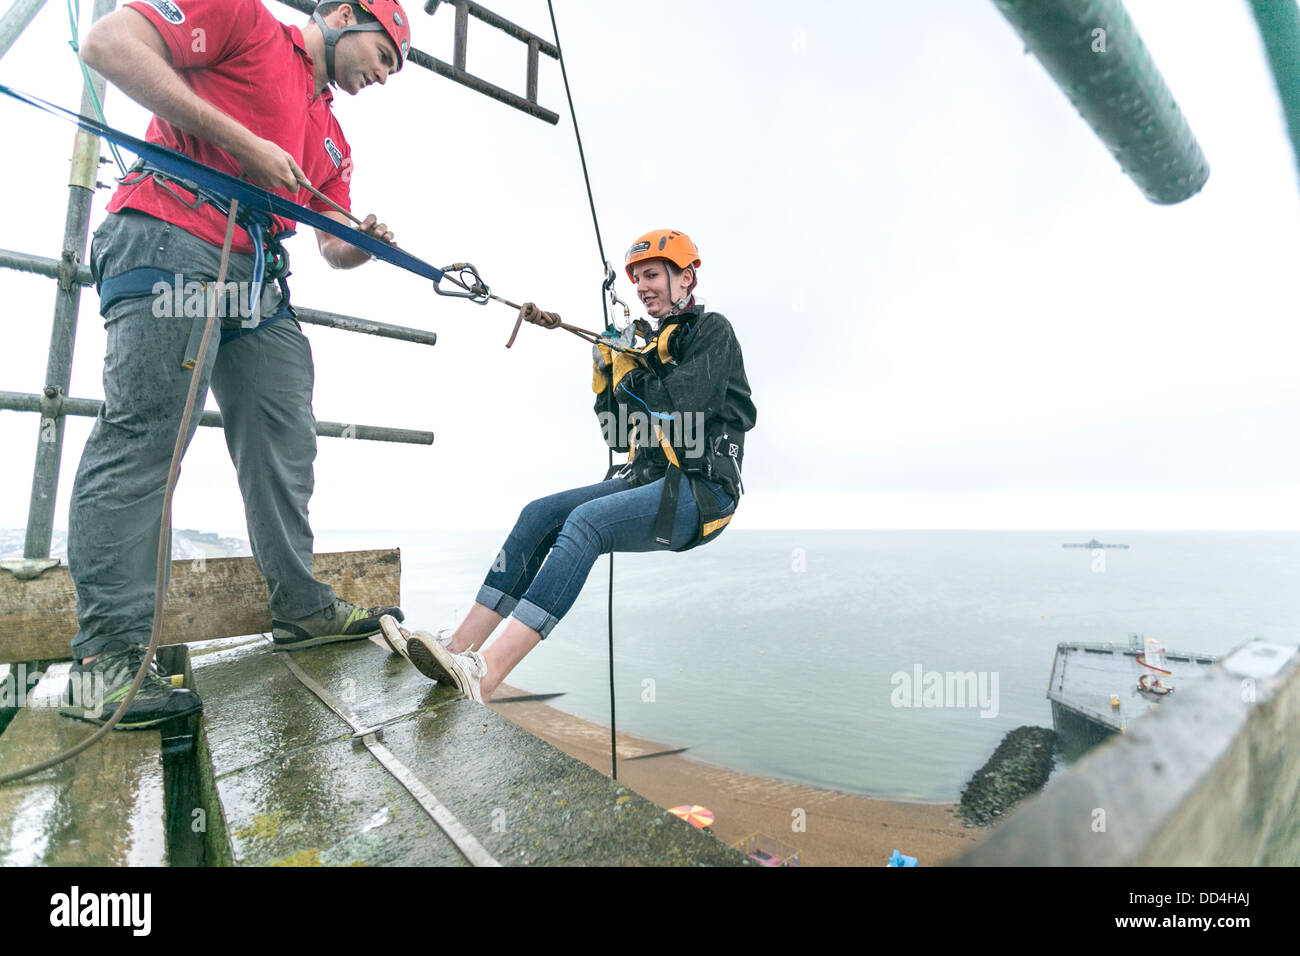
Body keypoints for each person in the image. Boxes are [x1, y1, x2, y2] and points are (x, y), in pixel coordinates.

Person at [61, 0, 414, 729]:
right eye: (384, 55)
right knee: (147, 438)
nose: (385, 76)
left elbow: (333, 242)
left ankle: (302, 608)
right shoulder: (243, 20)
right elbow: (107, 44)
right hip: (170, 233)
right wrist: (243, 143)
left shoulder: (334, 138)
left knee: (286, 438)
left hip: (256, 276)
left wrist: (364, 240)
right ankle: (104, 664)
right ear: (344, 14)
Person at [376, 229, 757, 702]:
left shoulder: (712, 333)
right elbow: (620, 436)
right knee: (539, 514)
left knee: (585, 524)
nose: (642, 286)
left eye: (653, 275)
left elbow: (681, 408)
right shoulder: (648, 344)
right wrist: (605, 382)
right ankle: (456, 649)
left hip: (703, 494)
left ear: (686, 277)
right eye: (638, 278)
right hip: (652, 477)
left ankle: (485, 675)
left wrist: (628, 373)